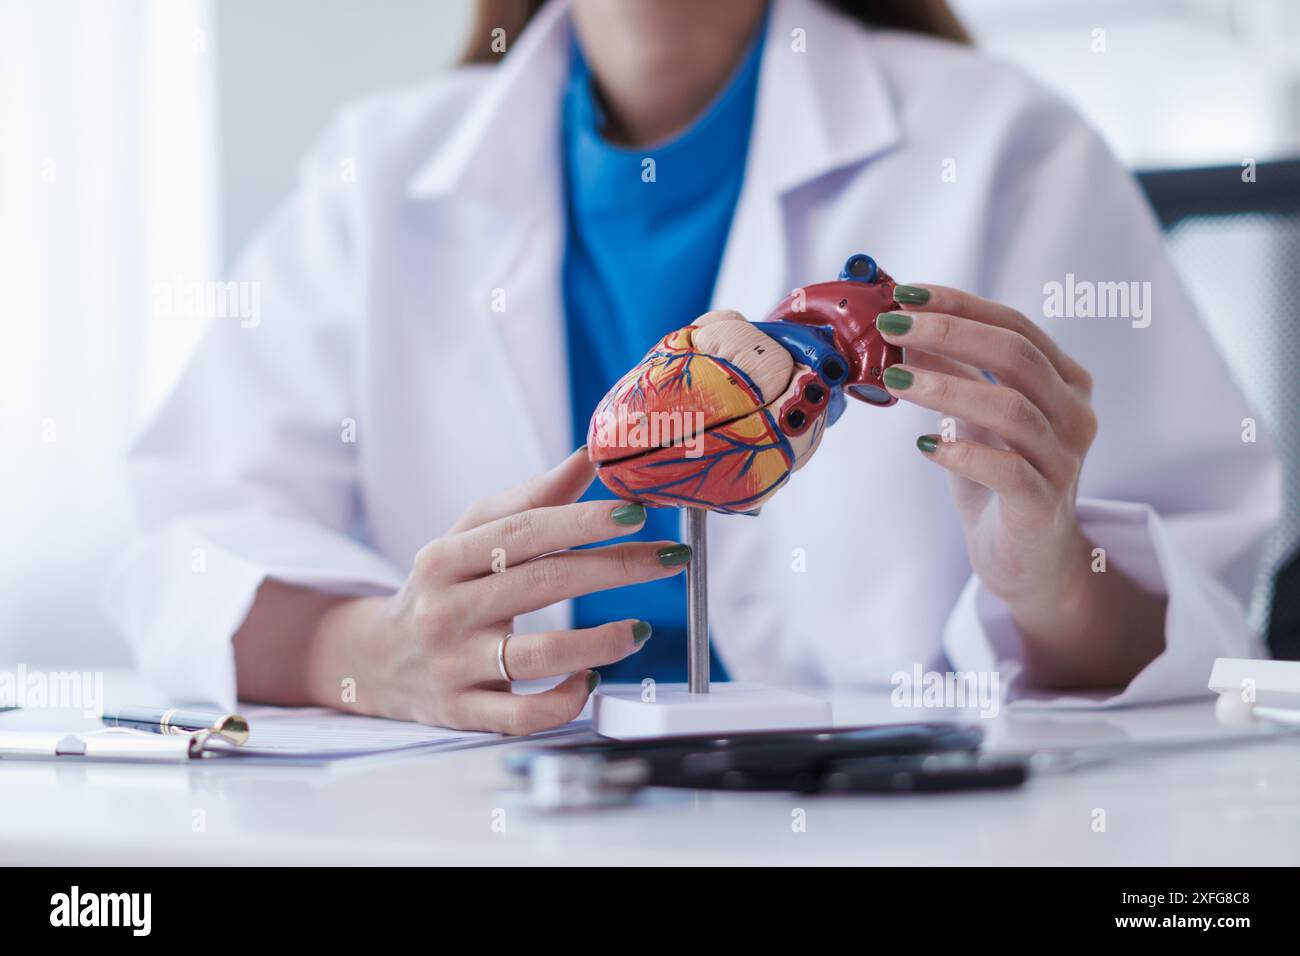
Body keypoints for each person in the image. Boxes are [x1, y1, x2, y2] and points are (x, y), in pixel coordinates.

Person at [107, 0, 1279, 734]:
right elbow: (183, 541)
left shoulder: (1010, 147)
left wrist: (1053, 579)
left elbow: (1205, 620)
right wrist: (371, 653)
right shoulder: (379, 173)